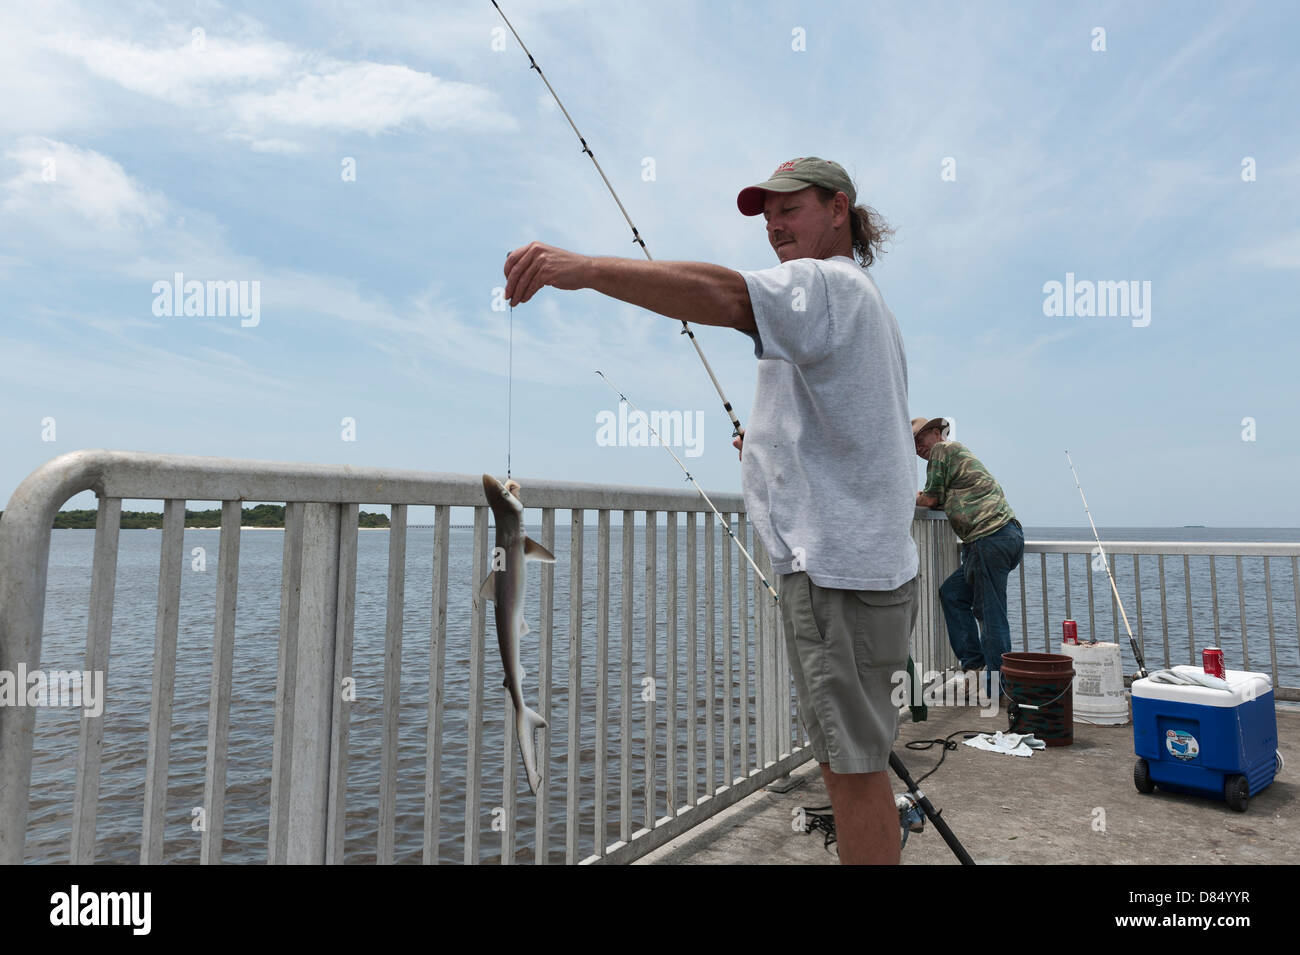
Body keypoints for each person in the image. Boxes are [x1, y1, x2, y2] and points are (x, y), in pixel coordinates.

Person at [504, 156, 918, 865]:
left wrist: (584, 270)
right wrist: (761, 445)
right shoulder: (865, 301)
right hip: (870, 569)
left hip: (837, 576)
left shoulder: (823, 283)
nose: (775, 226)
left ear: (839, 207)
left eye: (790, 209)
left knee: (852, 773)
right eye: (766, 216)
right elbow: (845, 427)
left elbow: (723, 296)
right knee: (852, 761)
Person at [912, 417, 1023, 701]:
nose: (917, 448)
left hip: (990, 537)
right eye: (912, 444)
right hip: (994, 539)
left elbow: (931, 498)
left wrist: (901, 496)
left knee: (990, 614)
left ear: (936, 433)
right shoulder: (954, 455)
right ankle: (975, 667)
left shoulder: (942, 451)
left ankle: (999, 687)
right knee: (952, 592)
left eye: (919, 440)